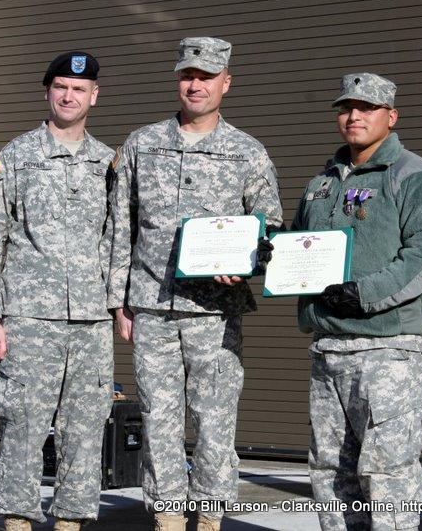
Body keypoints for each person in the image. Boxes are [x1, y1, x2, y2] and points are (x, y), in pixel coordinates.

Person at [107, 37, 283, 531]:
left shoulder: (247, 152)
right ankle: (165, 514)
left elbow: (268, 223)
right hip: (153, 304)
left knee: (214, 418)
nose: (195, 85)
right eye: (188, 75)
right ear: (177, 80)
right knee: (160, 420)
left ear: (226, 83)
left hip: (216, 308)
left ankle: (209, 514)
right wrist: (119, 301)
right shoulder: (143, 144)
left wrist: (248, 261)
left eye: (206, 77)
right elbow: (122, 225)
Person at [293, 73, 422, 530]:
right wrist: (271, 250)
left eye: (367, 108)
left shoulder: (414, 175)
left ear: (391, 116)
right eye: (345, 108)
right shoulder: (322, 182)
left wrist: (365, 294)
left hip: (389, 349)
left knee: (387, 477)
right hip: (328, 349)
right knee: (330, 475)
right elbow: (305, 248)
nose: (353, 116)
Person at [0, 51, 115, 531]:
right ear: (48, 92)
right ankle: (17, 519)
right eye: (60, 87)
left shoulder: (110, 164)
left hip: (92, 322)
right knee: (24, 425)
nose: (69, 96)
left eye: (79, 89)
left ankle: (72, 520)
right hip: (28, 320)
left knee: (85, 428)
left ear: (94, 95)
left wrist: (121, 306)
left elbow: (121, 244)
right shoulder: (12, 158)